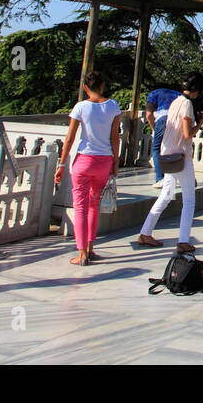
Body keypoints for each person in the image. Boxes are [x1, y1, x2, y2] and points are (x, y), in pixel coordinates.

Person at [137, 71, 203, 255]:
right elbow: (187, 134)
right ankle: (183, 241)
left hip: (167, 153)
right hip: (180, 156)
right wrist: (201, 121)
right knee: (189, 200)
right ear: (196, 90)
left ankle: (145, 233)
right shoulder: (186, 104)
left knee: (166, 194)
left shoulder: (175, 101)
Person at [55, 71, 121, 267]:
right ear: (103, 86)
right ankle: (91, 248)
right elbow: (115, 137)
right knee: (93, 206)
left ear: (85, 87)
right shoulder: (113, 105)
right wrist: (115, 162)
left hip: (84, 160)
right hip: (104, 161)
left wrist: (61, 164)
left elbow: (70, 138)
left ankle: (81, 252)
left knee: (81, 208)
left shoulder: (81, 107)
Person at [145, 84, 182, 187]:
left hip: (162, 119)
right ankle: (174, 177)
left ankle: (160, 179)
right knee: (173, 148)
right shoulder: (177, 94)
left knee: (157, 148)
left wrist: (154, 128)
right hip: (177, 120)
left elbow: (148, 115)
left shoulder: (153, 94)